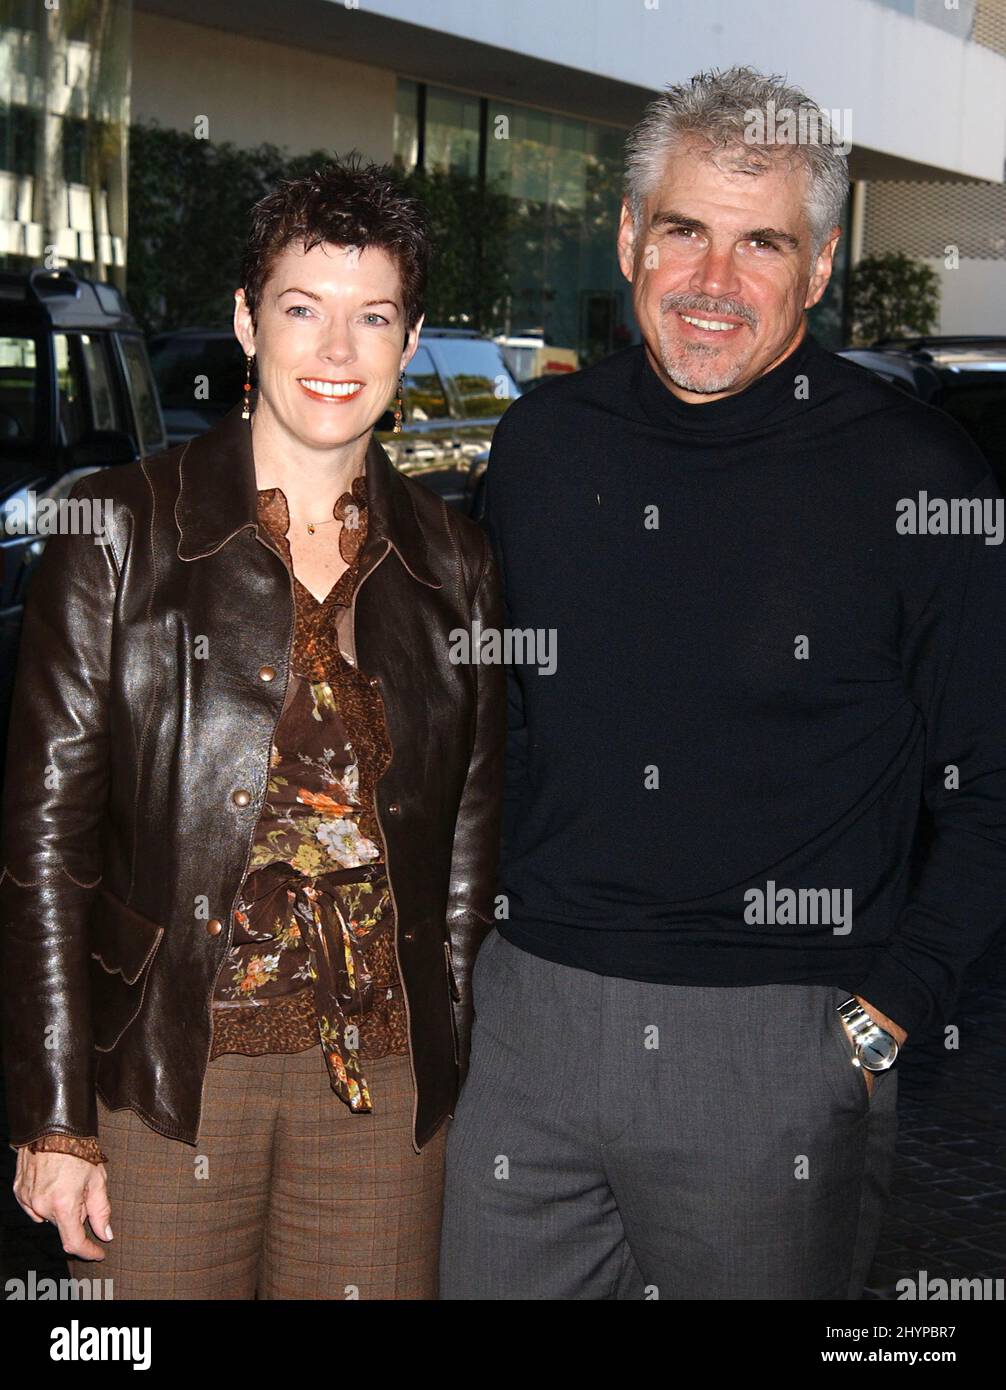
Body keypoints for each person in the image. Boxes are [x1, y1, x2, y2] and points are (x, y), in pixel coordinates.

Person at [439, 66, 1006, 1299]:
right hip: (527, 1026)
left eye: (763, 244)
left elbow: (989, 782)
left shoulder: (916, 474)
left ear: (820, 264)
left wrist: (886, 1012)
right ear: (629, 236)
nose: (712, 280)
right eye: (684, 229)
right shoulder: (541, 445)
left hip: (772, 1047)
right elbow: (503, 728)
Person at [1, 157, 505, 1300]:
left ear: (409, 339)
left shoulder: (455, 561)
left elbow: (469, 846)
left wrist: (452, 1046)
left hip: (381, 1083)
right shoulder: (117, 529)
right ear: (245, 320)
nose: (337, 350)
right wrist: (56, 1115)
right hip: (164, 1073)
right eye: (302, 308)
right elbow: (44, 850)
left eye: (372, 315)